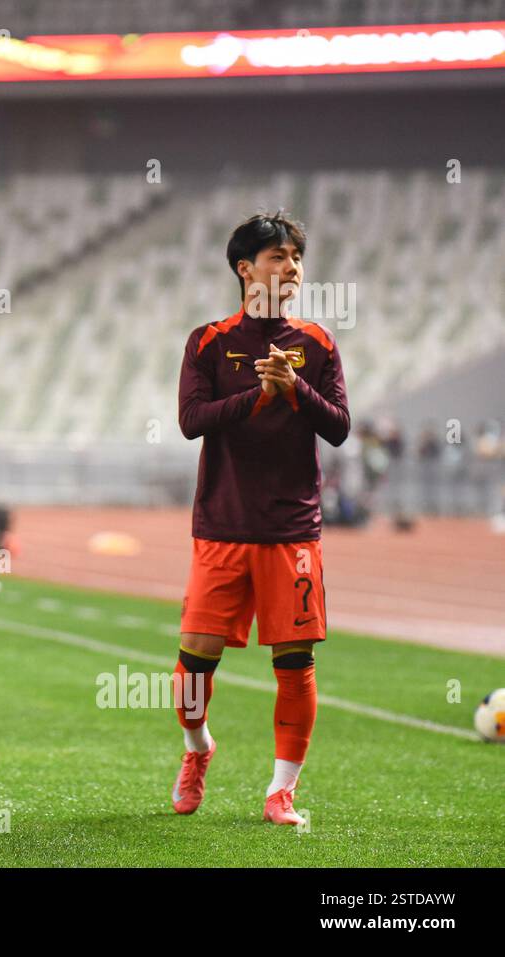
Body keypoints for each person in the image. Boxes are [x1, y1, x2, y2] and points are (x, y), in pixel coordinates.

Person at [174, 210, 349, 825]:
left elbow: (340, 428)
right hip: (221, 524)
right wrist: (260, 395)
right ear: (245, 269)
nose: (292, 267)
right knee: (192, 670)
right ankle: (198, 749)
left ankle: (281, 792)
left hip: (292, 531)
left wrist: (296, 391)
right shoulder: (209, 341)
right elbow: (192, 421)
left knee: (295, 663)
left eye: (296, 257)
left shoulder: (318, 343)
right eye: (278, 256)